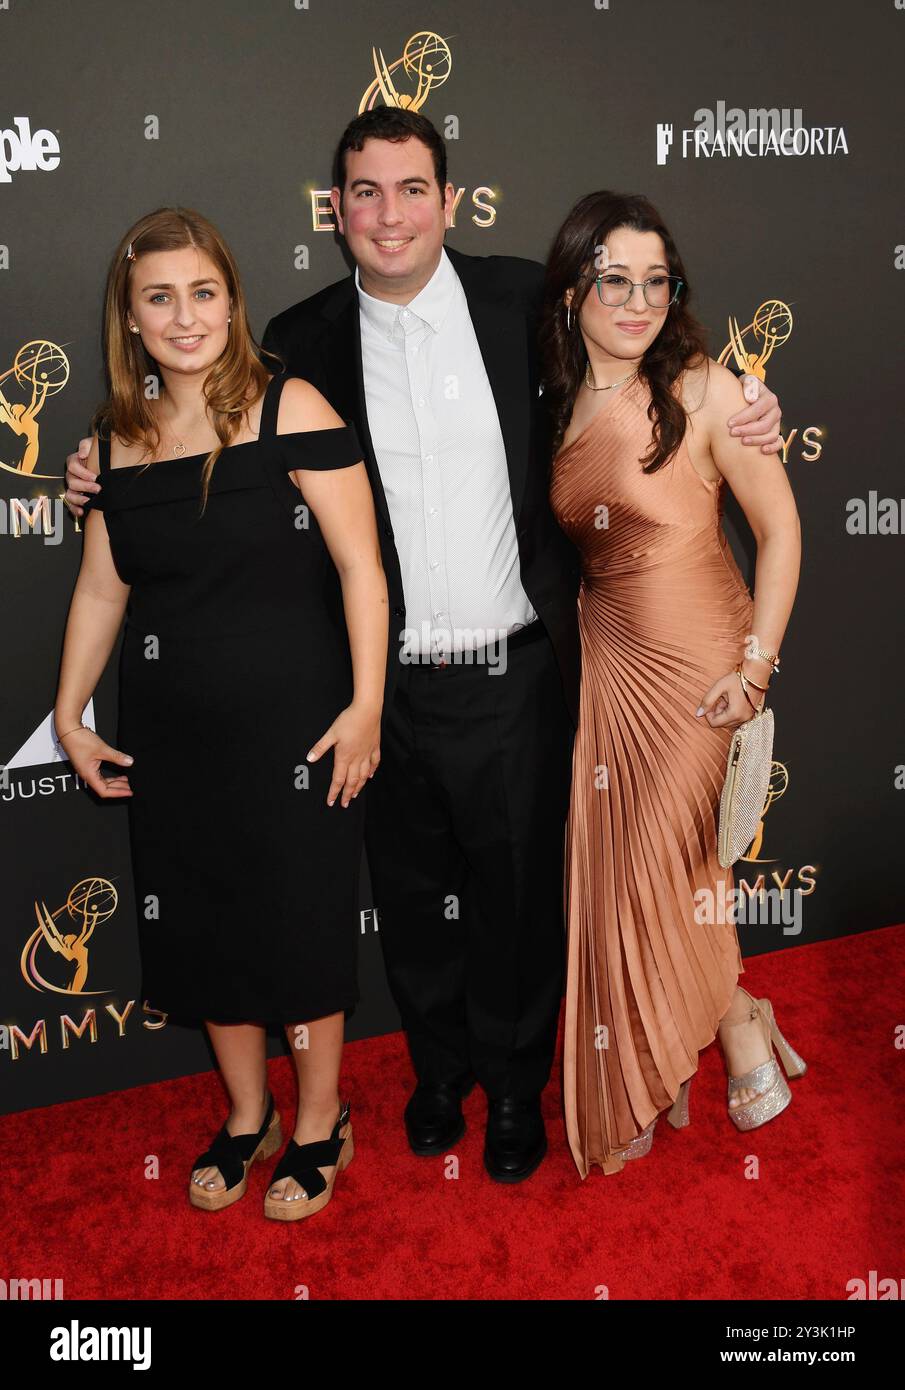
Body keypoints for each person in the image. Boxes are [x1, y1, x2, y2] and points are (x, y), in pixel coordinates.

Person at [63, 111, 784, 1184]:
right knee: (410, 899)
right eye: (364, 192)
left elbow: (640, 339)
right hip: (378, 683)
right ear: (336, 210)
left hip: (521, 668)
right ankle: (438, 1071)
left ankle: (511, 1086)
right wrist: (94, 463)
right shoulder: (299, 345)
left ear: (449, 201)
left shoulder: (521, 304)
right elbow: (189, 409)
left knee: (515, 896)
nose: (389, 213)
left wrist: (747, 400)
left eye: (412, 189)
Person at [54, 207, 387, 1219]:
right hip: (172, 729)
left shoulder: (293, 407)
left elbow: (361, 568)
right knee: (202, 924)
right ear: (131, 316)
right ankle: (248, 1117)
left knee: (298, 923)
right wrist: (69, 714)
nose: (184, 315)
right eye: (159, 296)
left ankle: (321, 1118)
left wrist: (368, 704)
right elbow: (103, 591)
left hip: (295, 726)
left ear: (232, 300)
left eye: (202, 291)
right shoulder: (116, 437)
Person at [542, 191, 804, 1177]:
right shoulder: (550, 402)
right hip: (607, 658)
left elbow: (777, 532)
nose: (636, 299)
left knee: (669, 861)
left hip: (703, 660)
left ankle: (719, 1029)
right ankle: (698, 1034)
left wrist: (755, 666)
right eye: (615, 279)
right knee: (624, 881)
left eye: (656, 281)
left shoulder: (706, 391)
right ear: (574, 289)